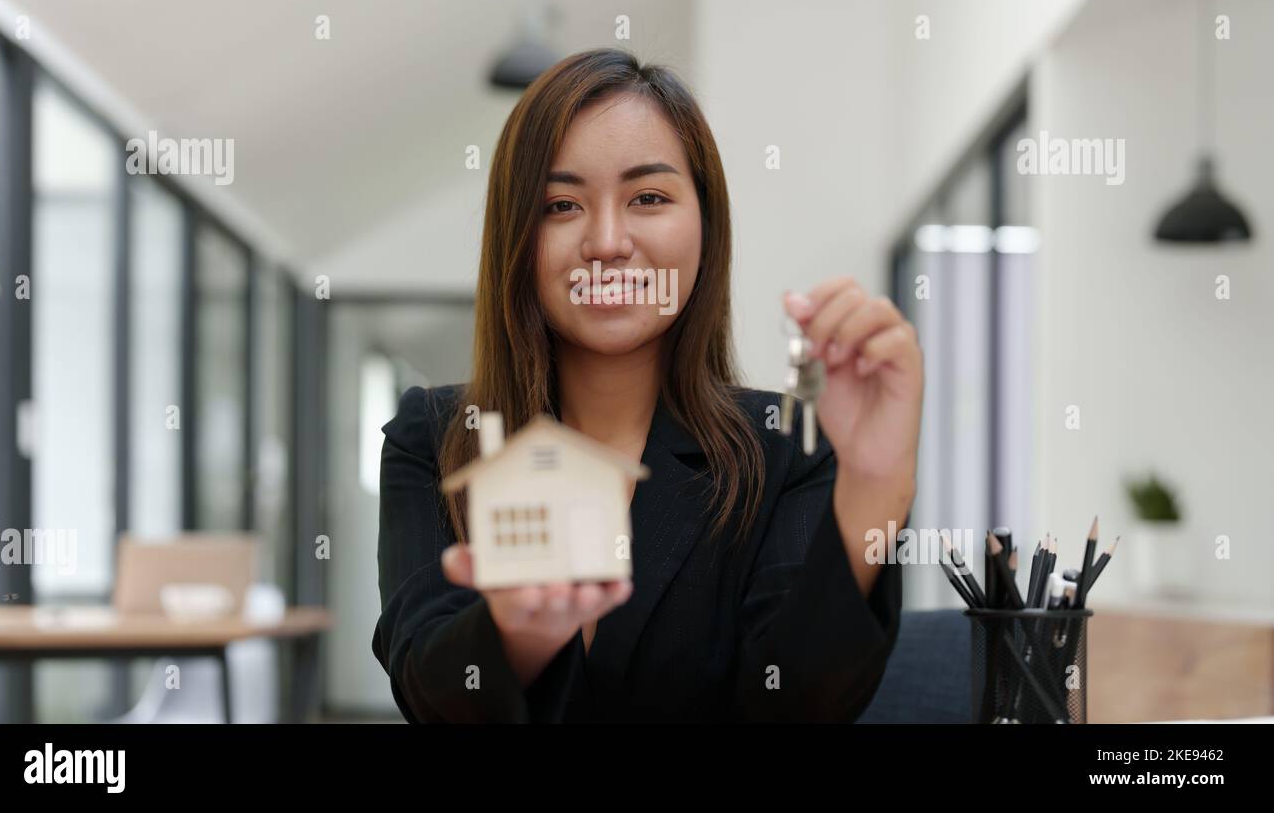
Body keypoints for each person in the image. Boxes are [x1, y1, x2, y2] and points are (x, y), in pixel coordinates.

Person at [373, 48, 924, 722]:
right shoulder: (434, 437)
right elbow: (428, 690)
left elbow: (792, 702)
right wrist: (517, 632)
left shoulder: (788, 447)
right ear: (515, 237)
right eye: (560, 204)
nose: (606, 242)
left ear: (706, 226)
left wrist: (877, 485)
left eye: (649, 198)